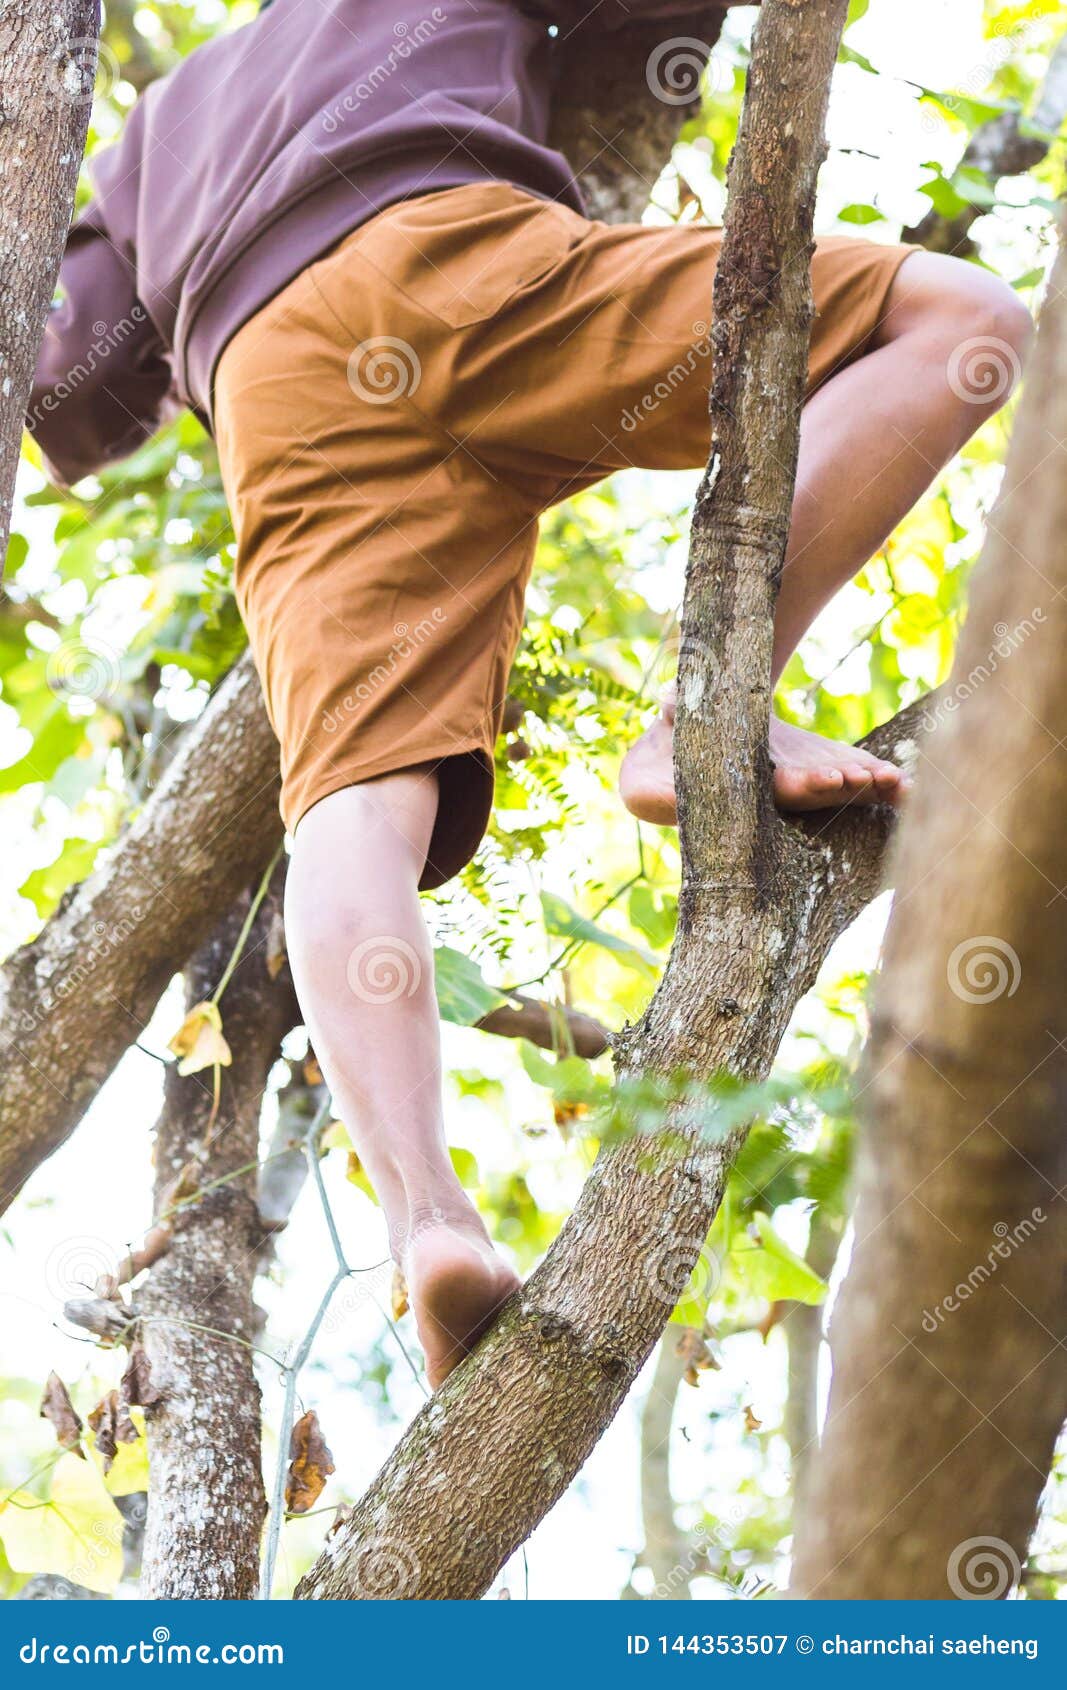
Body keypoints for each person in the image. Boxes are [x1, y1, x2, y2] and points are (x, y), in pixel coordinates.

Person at [30, 0, 1032, 1386]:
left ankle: (428, 1219)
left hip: (272, 385)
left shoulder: (158, 124)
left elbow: (61, 390)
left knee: (352, 810)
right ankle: (703, 715)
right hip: (449, 256)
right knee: (956, 319)